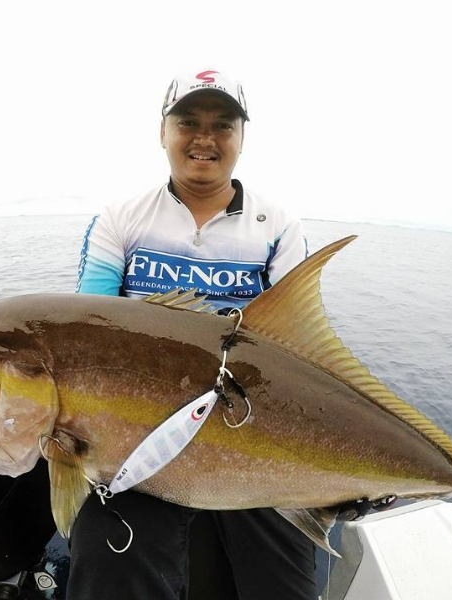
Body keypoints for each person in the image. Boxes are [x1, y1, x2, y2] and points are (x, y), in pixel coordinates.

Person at [72, 69, 316, 600]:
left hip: (251, 428)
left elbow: (299, 347)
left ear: (241, 139)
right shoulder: (121, 218)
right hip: (136, 433)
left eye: (222, 125)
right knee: (105, 564)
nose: (204, 137)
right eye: (188, 121)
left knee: (287, 582)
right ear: (162, 132)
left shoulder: (276, 225)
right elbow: (83, 332)